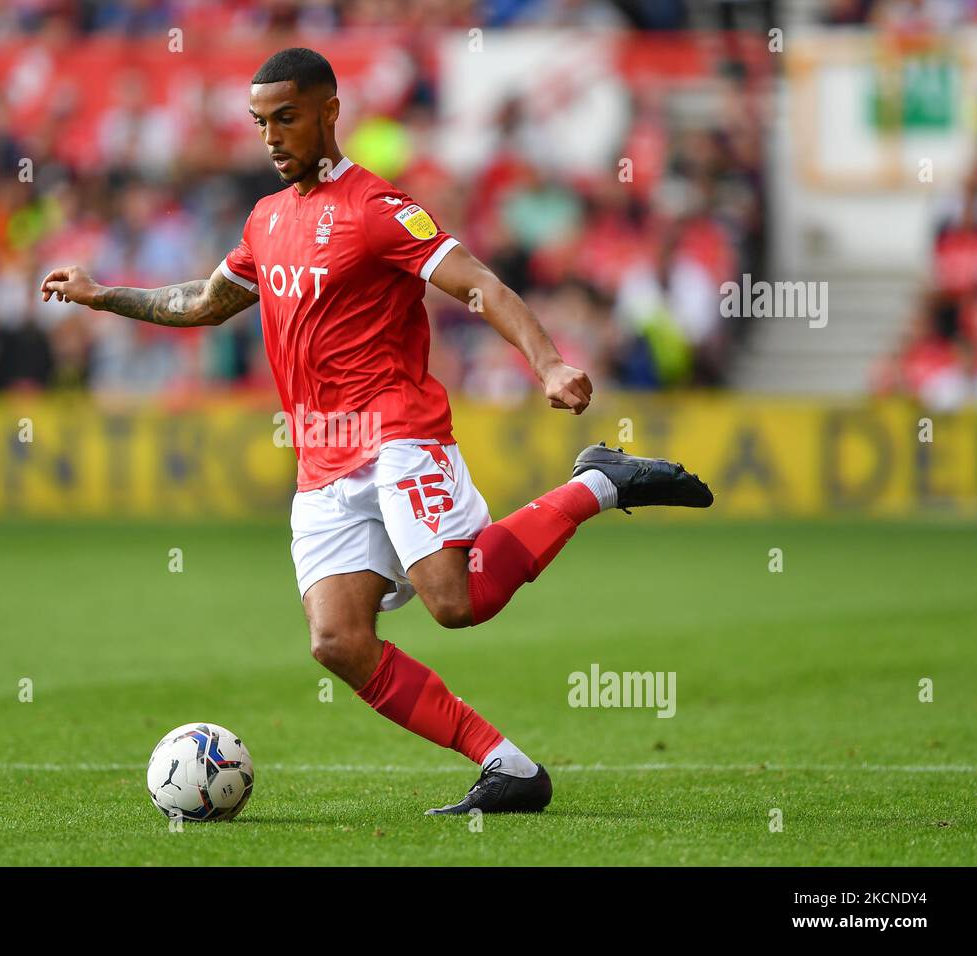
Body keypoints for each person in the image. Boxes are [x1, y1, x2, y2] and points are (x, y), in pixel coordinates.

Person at [40, 48, 713, 815]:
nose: (270, 136)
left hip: (397, 433)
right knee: (338, 642)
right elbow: (203, 301)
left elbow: (480, 284)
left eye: (286, 118)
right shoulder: (265, 220)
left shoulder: (379, 210)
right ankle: (510, 769)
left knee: (454, 603)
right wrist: (104, 297)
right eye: (260, 121)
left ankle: (598, 483)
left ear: (329, 110)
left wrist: (549, 363)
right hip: (321, 462)